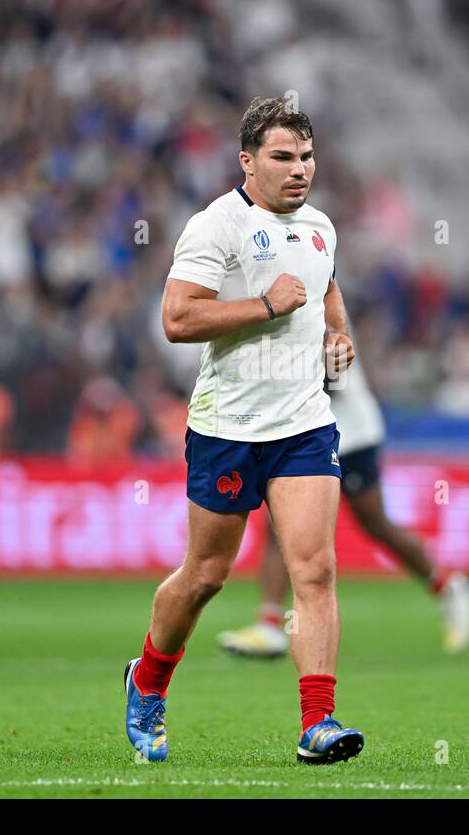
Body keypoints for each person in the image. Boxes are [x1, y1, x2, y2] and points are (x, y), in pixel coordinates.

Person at [123, 96, 365, 764]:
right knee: (205, 574)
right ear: (247, 161)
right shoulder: (215, 227)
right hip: (228, 428)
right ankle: (148, 680)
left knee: (313, 571)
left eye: (307, 157)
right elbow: (177, 319)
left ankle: (318, 724)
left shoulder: (321, 227)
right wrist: (262, 305)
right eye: (283, 158)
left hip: (304, 426)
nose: (299, 170)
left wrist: (337, 336)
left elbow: (326, 289)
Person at [218, 360, 469, 657]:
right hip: (302, 433)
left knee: (375, 523)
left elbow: (332, 372)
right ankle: (270, 626)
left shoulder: (316, 312)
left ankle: (446, 585)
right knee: (278, 524)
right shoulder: (278, 314)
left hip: (347, 433)